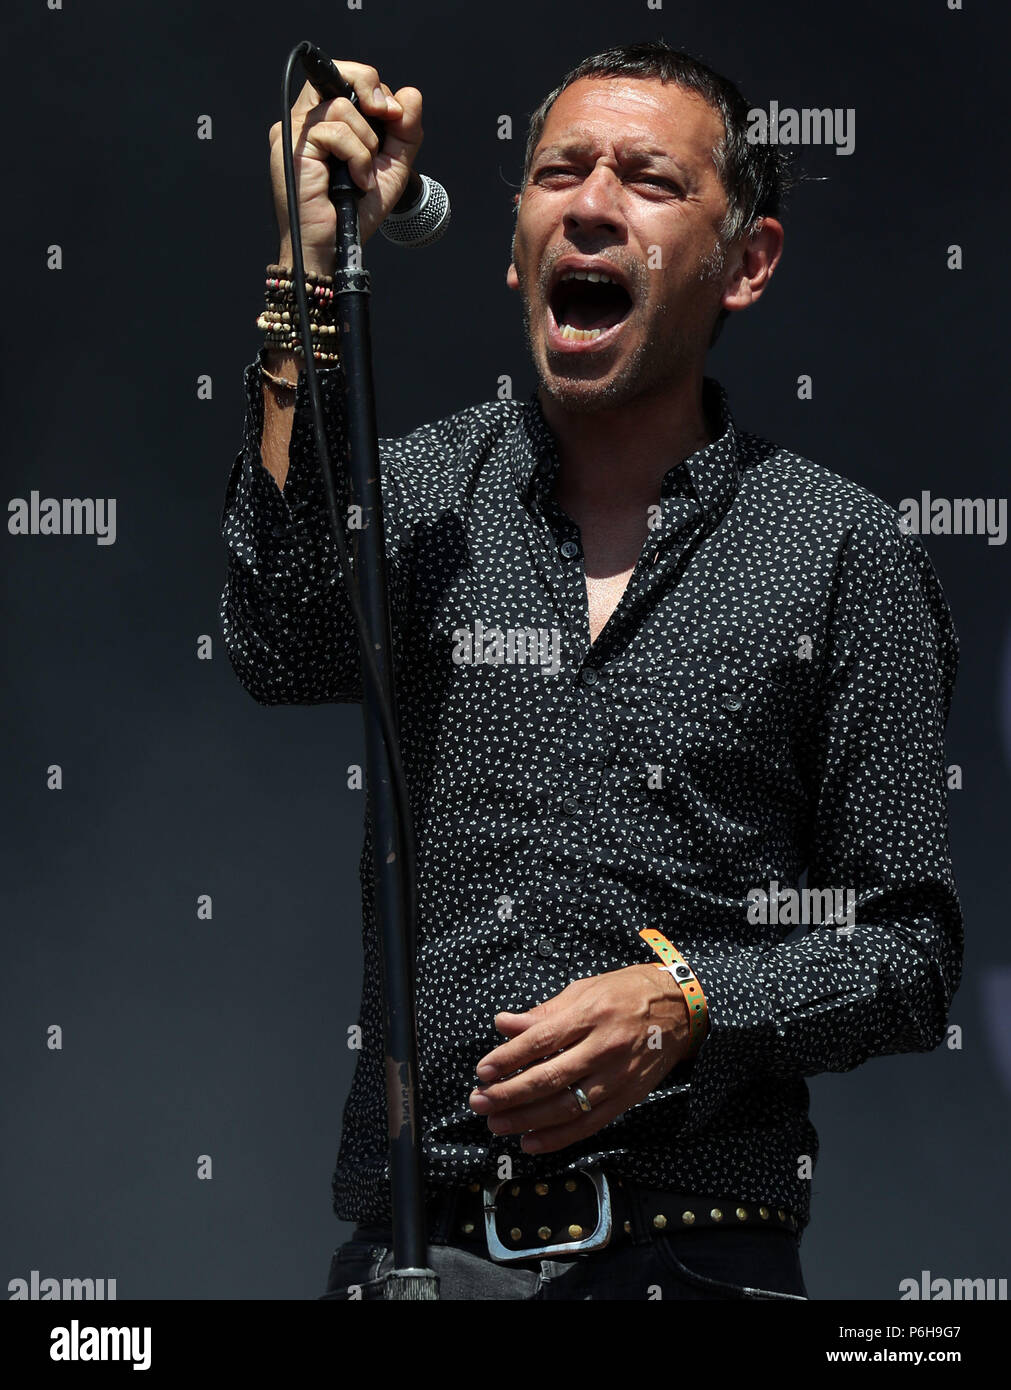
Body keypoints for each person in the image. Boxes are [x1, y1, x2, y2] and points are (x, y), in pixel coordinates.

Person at [219, 40, 963, 1300]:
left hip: (697, 1257)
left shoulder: (840, 548)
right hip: (421, 1254)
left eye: (650, 180)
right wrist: (305, 259)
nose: (593, 203)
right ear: (515, 248)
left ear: (751, 261)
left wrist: (693, 998)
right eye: (559, 171)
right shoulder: (420, 500)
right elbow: (278, 639)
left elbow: (908, 950)